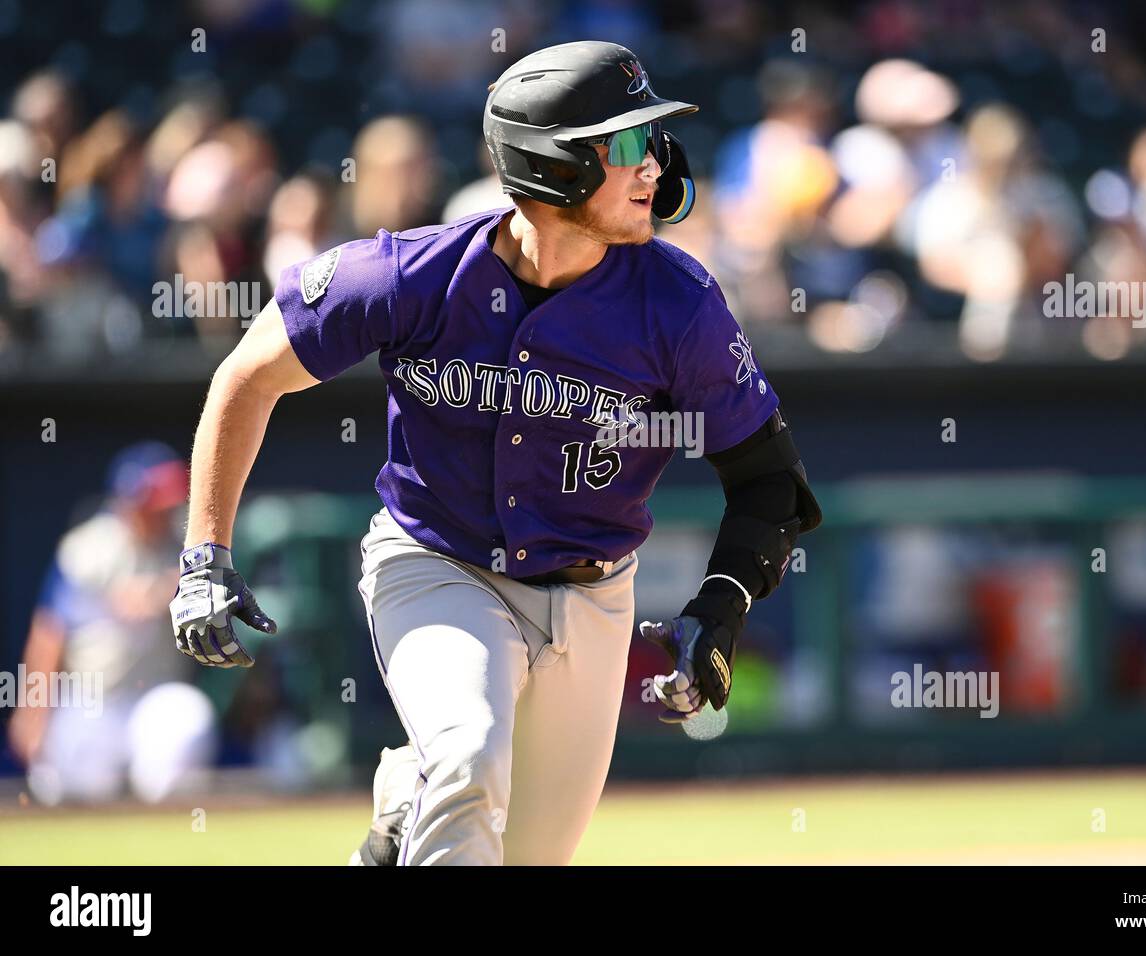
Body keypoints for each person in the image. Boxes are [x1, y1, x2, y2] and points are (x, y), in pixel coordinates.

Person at [169, 41, 820, 866]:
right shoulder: (409, 275)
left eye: (653, 141)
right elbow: (246, 379)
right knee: (472, 756)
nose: (652, 166)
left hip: (591, 596)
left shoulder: (680, 305)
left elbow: (769, 482)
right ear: (552, 166)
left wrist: (721, 606)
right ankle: (438, 774)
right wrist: (204, 556)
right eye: (624, 145)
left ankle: (412, 794)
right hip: (437, 562)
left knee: (525, 854)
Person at [9, 441, 217, 805]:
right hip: (93, 700)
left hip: (153, 700)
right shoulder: (88, 549)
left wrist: (160, 592)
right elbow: (48, 635)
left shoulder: (185, 547)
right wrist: (32, 711)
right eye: (154, 504)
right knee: (65, 785)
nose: (164, 513)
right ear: (129, 499)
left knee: (187, 718)